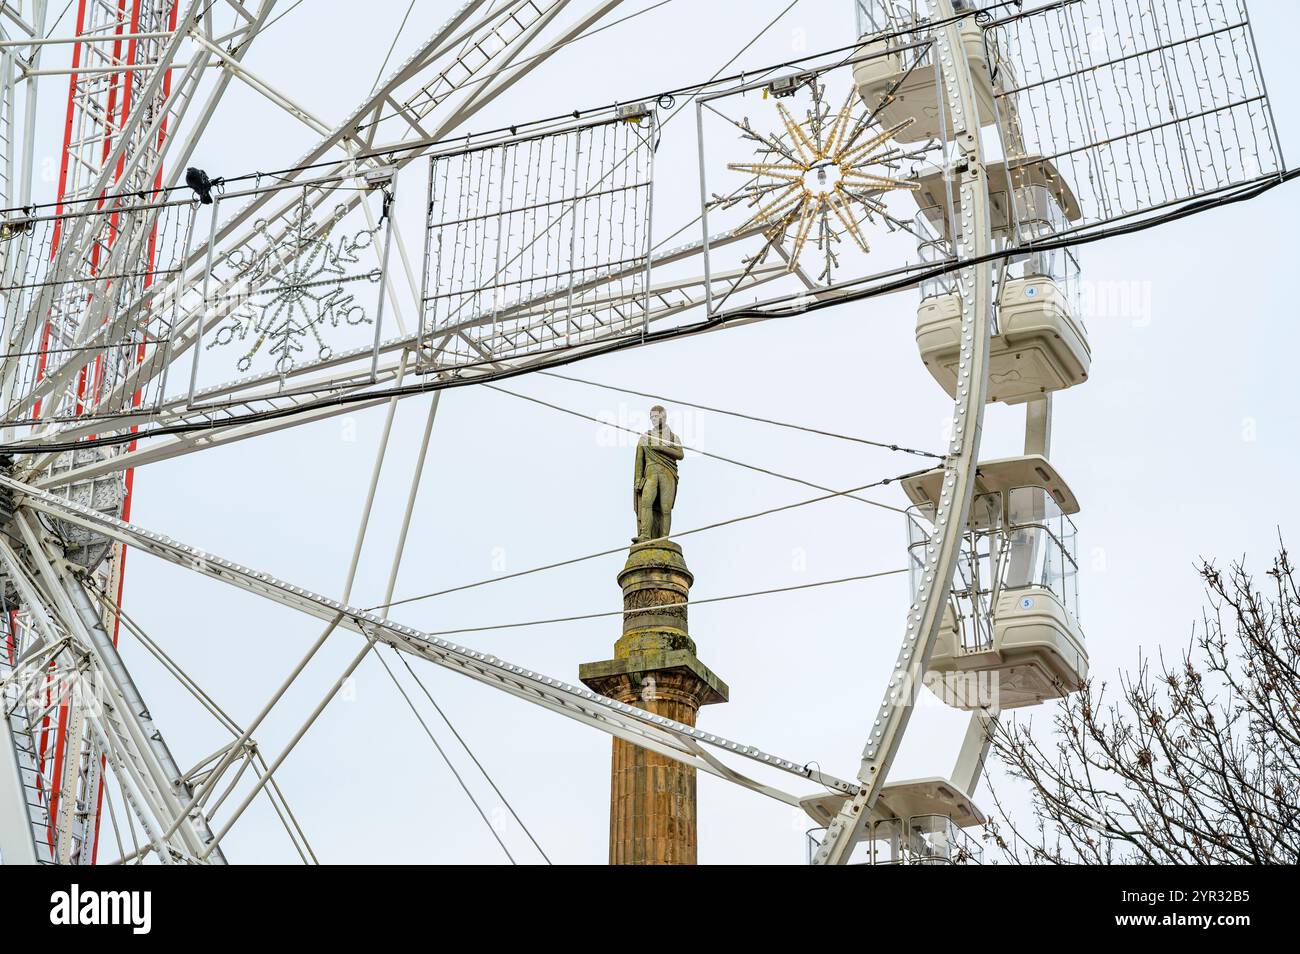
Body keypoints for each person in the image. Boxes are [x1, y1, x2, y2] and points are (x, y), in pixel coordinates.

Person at [632, 405, 683, 542]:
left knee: (665, 508)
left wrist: (660, 447)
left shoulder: (672, 437)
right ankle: (645, 535)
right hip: (650, 474)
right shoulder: (645, 437)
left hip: (668, 473)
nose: (654, 419)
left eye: (656, 416)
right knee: (646, 502)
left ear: (664, 417)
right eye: (652, 417)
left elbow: (680, 454)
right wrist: (638, 479)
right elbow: (639, 461)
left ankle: (663, 538)